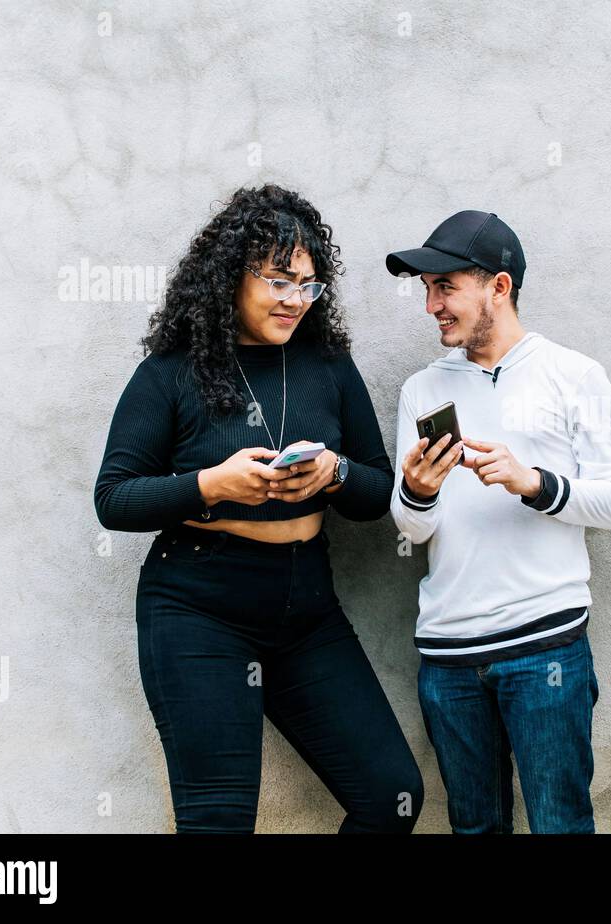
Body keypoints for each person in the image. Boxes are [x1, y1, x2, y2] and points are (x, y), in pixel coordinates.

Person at [94, 184, 423, 833]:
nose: (295, 299)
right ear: (229, 277)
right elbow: (113, 497)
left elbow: (377, 492)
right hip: (198, 606)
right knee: (218, 819)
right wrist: (209, 486)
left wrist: (335, 473)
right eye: (278, 280)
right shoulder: (171, 370)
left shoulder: (326, 363)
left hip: (306, 606)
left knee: (390, 795)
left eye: (309, 285)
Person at [386, 210, 611, 833]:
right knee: (475, 829)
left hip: (544, 649)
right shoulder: (422, 389)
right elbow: (410, 529)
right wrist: (417, 491)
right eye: (426, 290)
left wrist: (533, 483)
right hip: (447, 656)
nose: (431, 306)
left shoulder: (575, 375)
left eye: (445, 287)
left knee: (559, 824)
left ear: (499, 287)